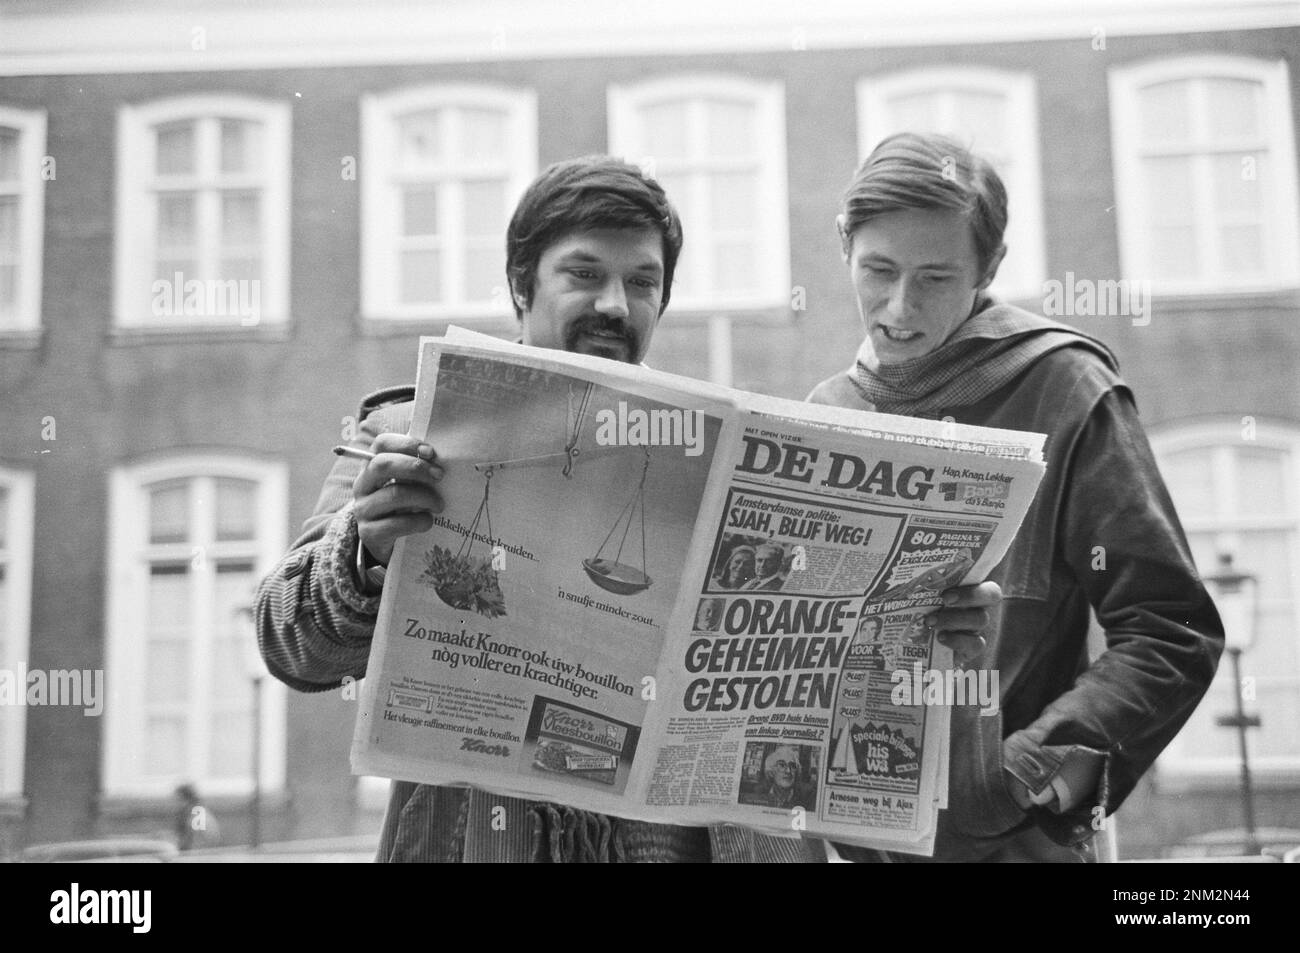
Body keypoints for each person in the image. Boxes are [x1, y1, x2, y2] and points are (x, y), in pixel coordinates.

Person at [257, 154, 996, 863]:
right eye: (585, 273)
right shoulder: (412, 430)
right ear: (521, 285)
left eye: (643, 282)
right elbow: (290, 645)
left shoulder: (715, 451)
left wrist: (920, 627)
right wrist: (365, 549)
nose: (616, 303)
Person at [807, 132, 1224, 862]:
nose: (899, 306)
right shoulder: (825, 410)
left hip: (1014, 848)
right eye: (878, 269)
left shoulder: (1067, 389)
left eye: (936, 277)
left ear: (990, 267)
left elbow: (1171, 628)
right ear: (845, 248)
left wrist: (1027, 768)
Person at [752, 745, 816, 810]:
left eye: (793, 766)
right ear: (771, 772)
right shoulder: (758, 793)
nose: (788, 771)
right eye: (782, 765)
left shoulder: (808, 797)